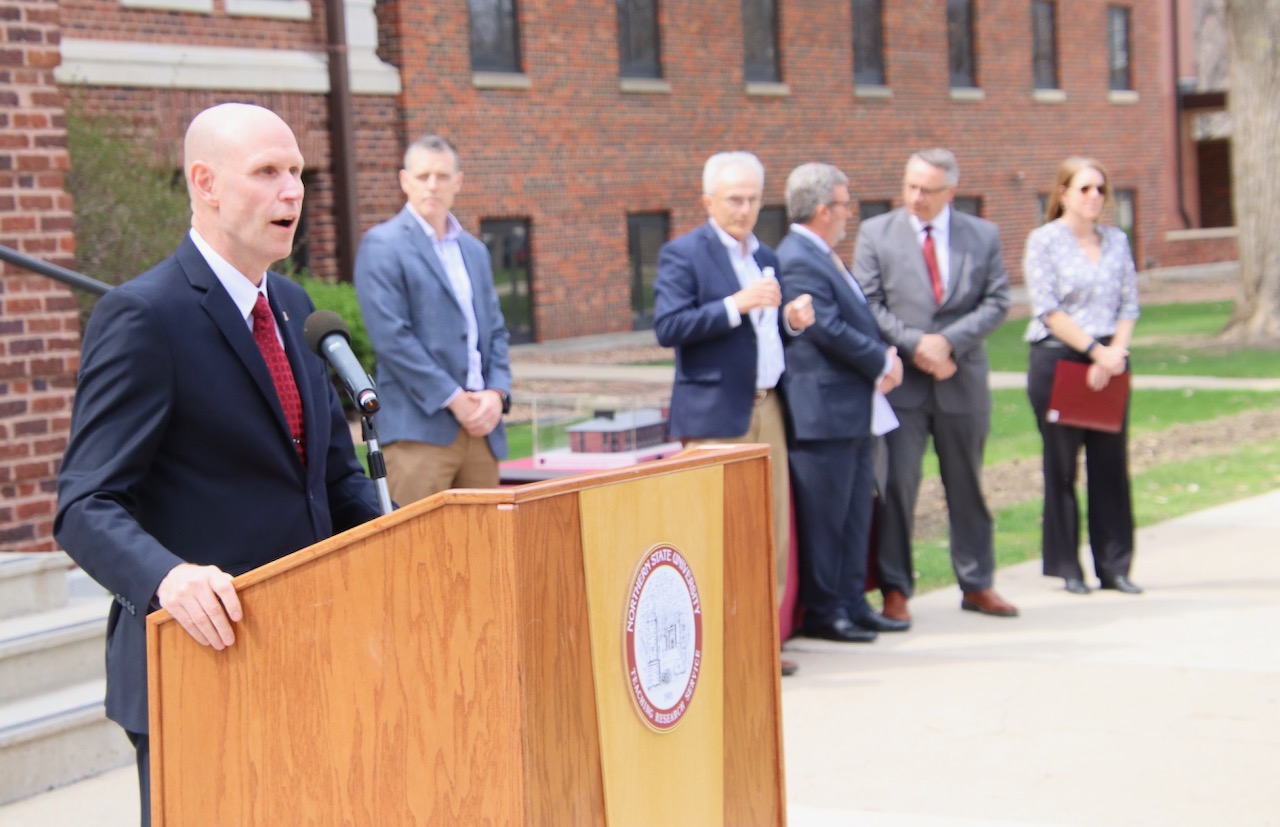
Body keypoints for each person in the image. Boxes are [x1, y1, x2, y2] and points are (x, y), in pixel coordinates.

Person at [54, 103, 384, 825]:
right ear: (204, 183)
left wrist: (408, 544)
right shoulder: (145, 317)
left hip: (309, 652)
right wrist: (167, 578)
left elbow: (331, 480)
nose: (292, 190)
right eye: (267, 172)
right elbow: (84, 503)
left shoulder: (296, 308)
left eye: (296, 172)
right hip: (200, 665)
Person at [654, 151, 815, 674]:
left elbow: (768, 336)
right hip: (713, 414)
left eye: (752, 199)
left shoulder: (765, 255)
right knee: (716, 531)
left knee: (770, 531)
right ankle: (715, 648)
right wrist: (735, 305)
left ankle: (762, 642)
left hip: (768, 407)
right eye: (733, 200)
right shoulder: (684, 254)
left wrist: (790, 319)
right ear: (708, 201)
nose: (744, 209)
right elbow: (669, 328)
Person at [854, 148, 1018, 622]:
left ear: (950, 192)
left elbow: (996, 301)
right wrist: (918, 345)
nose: (915, 197)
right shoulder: (876, 233)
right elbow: (868, 302)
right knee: (896, 487)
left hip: (961, 381)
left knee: (967, 487)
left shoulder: (981, 234)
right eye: (910, 186)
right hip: (902, 387)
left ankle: (977, 583)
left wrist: (948, 343)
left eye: (927, 190)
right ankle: (896, 589)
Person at [777, 163, 906, 643]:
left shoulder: (825, 253)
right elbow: (825, 326)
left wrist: (882, 357)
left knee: (855, 512)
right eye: (845, 202)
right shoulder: (796, 257)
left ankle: (853, 600)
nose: (850, 211)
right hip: (821, 412)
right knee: (827, 518)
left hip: (850, 407)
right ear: (821, 209)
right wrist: (880, 360)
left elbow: (856, 317)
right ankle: (826, 609)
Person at [355, 135, 512, 504]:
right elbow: (392, 338)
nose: (432, 185)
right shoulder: (382, 245)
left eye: (442, 176)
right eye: (423, 175)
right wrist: (455, 399)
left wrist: (497, 393)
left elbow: (496, 332)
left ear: (458, 182)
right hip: (418, 434)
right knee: (419, 556)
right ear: (404, 181)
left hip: (482, 432)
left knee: (485, 551)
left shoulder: (474, 251)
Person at [1023, 157, 1141, 595]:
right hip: (1061, 361)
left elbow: (1129, 304)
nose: (1094, 197)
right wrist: (1092, 351)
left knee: (1111, 465)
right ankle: (1067, 566)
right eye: (1085, 188)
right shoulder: (1044, 241)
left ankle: (1115, 565)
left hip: (1110, 361)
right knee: (1061, 466)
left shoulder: (1116, 241)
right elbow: (1048, 309)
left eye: (1100, 190)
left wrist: (1111, 355)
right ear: (1064, 193)